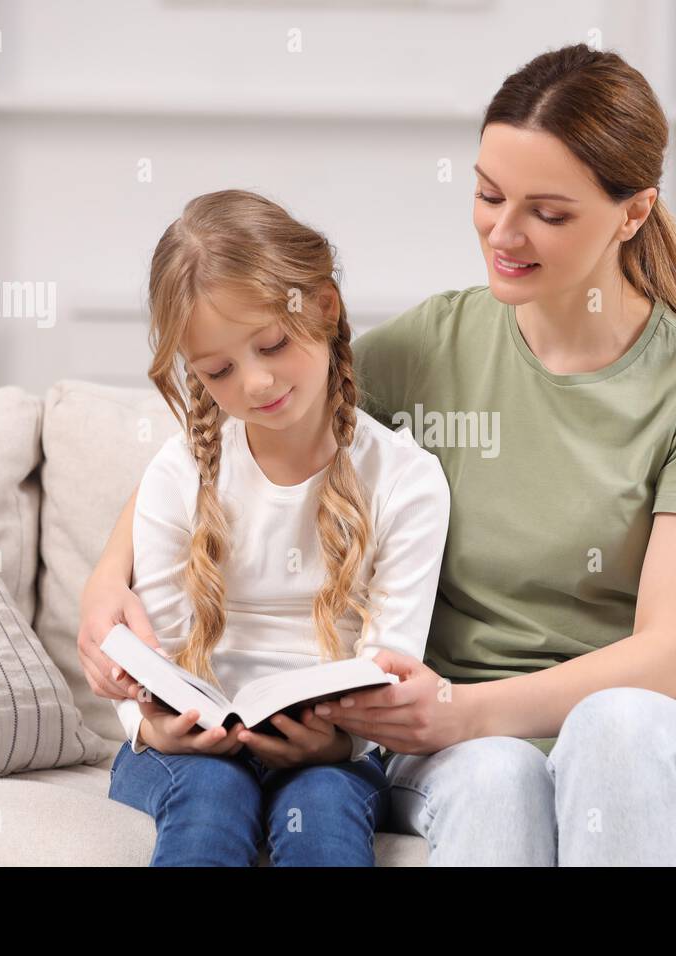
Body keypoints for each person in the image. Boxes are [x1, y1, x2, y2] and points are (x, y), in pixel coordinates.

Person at [81, 43, 676, 865]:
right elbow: (241, 440)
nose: (503, 233)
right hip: (460, 743)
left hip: (642, 732)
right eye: (487, 194)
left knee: (608, 726)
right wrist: (106, 583)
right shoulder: (428, 349)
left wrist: (465, 710)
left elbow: (665, 658)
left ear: (633, 213)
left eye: (547, 212)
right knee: (499, 777)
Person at [101, 189, 450, 866]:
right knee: (212, 798)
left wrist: (337, 744)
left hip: (331, 749)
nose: (256, 383)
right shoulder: (179, 475)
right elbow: (163, 663)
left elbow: (390, 662)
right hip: (184, 753)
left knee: (320, 812)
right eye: (220, 371)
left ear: (323, 306)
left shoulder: (406, 480)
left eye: (272, 344)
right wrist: (156, 725)